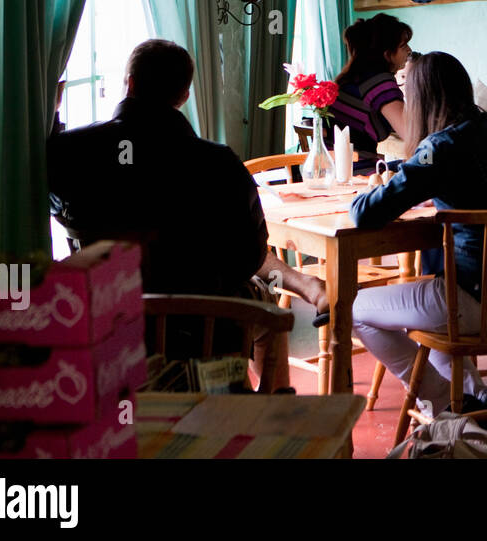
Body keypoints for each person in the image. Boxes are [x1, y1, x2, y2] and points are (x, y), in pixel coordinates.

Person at [47, 39, 327, 391]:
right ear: (184, 96)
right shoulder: (219, 163)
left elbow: (52, 204)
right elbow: (248, 257)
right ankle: (270, 417)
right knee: (269, 311)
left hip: (107, 318)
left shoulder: (70, 152)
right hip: (207, 325)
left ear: (130, 83)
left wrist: (52, 114)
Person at [349, 51, 487, 428]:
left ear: (422, 99)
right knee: (422, 317)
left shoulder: (441, 146)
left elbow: (365, 213)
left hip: (474, 299)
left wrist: (366, 192)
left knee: (352, 306)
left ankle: (445, 405)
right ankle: (479, 397)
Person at [330, 14, 413, 165]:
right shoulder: (380, 82)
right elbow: (411, 135)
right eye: (403, 46)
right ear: (387, 54)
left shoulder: (353, 77)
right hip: (355, 170)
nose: (409, 50)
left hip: (333, 166)